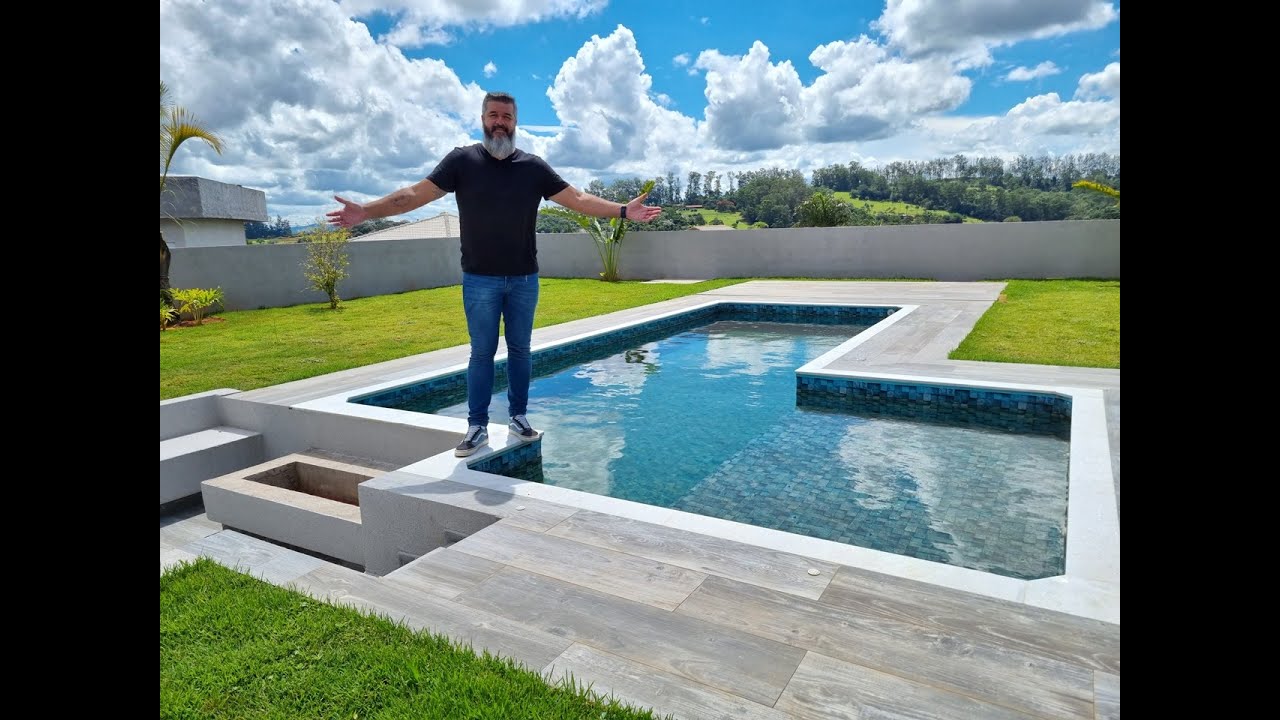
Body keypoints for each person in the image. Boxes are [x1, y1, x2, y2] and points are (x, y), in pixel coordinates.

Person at [327, 91, 661, 457]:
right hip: (479, 279)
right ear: (482, 118)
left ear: (516, 122)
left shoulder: (533, 168)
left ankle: (518, 417)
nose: (499, 122)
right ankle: (477, 427)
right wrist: (366, 211)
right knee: (481, 352)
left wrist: (623, 211)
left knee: (520, 351)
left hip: (523, 279)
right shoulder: (461, 161)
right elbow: (414, 194)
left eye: (506, 116)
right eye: (493, 115)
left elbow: (578, 199)